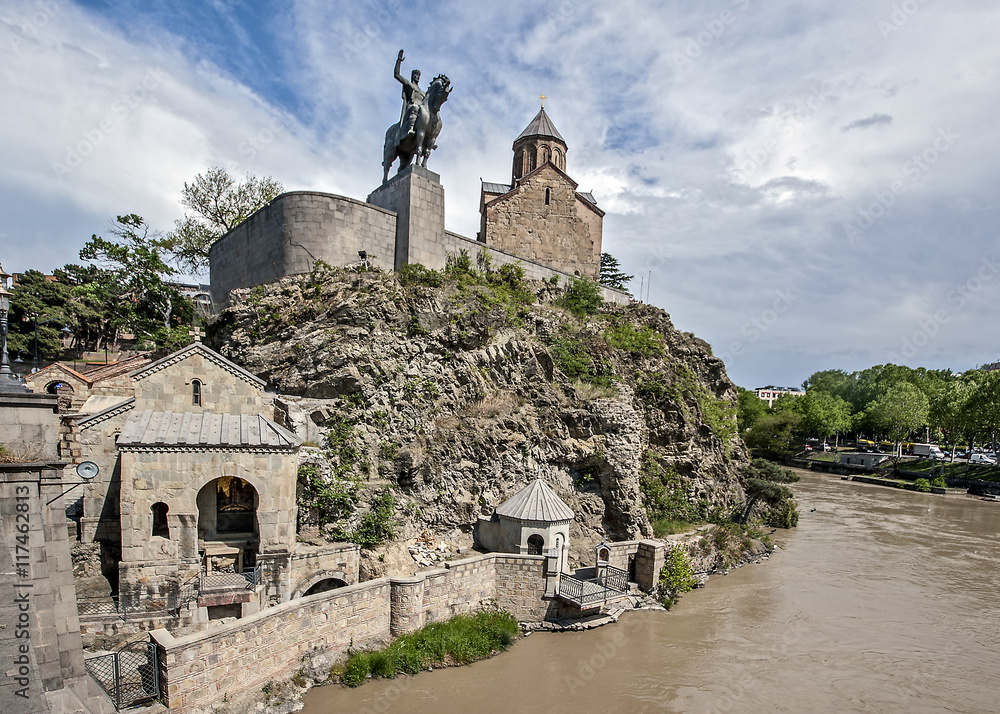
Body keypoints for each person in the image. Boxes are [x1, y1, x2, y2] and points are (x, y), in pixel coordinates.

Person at [394, 49, 425, 141]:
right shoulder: (409, 85)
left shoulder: (422, 92)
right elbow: (396, 75)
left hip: (420, 111)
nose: (417, 77)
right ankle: (410, 128)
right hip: (411, 108)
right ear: (412, 76)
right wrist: (399, 61)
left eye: (418, 76)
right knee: (415, 107)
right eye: (415, 75)